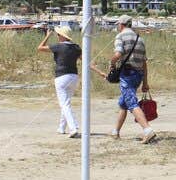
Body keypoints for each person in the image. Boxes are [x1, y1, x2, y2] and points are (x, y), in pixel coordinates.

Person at [95, 16, 157, 144]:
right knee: (123, 103)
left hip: (127, 74)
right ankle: (115, 132)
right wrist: (145, 82)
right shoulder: (140, 39)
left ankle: (147, 130)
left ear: (121, 25)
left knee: (131, 103)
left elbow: (118, 54)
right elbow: (144, 63)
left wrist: (111, 63)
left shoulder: (120, 36)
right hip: (138, 75)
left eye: (118, 25)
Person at [38, 22, 81, 138]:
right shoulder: (76, 47)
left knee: (64, 104)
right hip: (74, 76)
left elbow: (40, 48)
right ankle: (62, 127)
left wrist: (47, 36)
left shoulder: (58, 46)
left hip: (61, 76)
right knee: (66, 102)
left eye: (58, 34)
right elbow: (83, 59)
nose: (57, 36)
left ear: (62, 36)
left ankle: (73, 128)